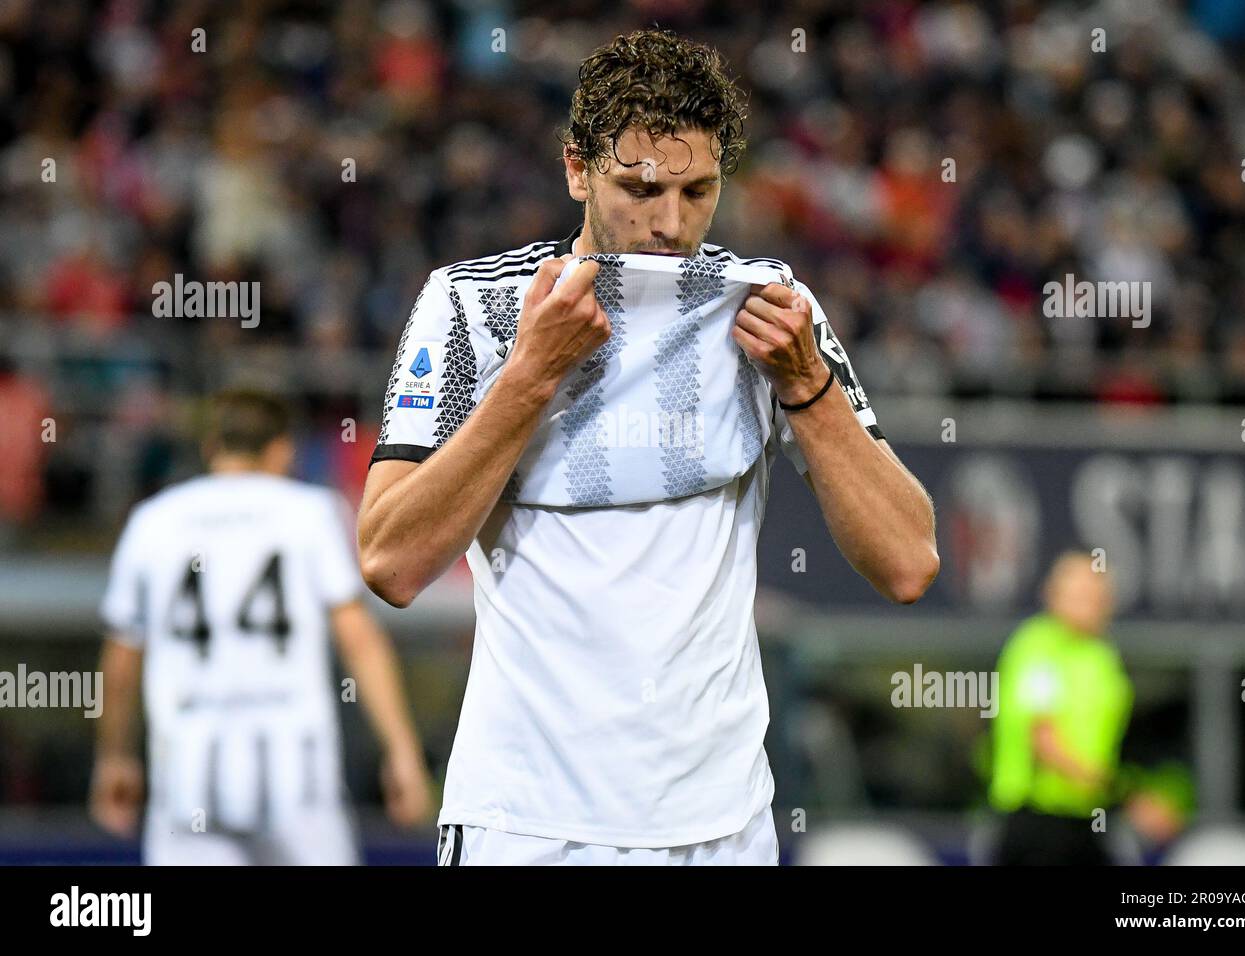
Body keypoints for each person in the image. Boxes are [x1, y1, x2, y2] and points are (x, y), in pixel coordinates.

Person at [359, 29, 939, 866]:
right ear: (576, 170)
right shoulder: (475, 308)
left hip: (722, 831)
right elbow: (390, 561)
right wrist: (529, 378)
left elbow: (909, 561)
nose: (670, 224)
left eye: (699, 191)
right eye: (639, 187)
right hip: (528, 824)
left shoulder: (771, 311)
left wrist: (806, 385)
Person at [91, 389, 434, 864]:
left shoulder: (153, 521)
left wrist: (114, 757)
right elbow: (360, 641)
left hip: (190, 767)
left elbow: (122, 657)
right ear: (282, 448)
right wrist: (401, 751)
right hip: (295, 767)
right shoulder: (311, 511)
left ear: (212, 445)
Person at [989, 551, 1134, 865]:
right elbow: (1044, 741)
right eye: (1080, 594)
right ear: (1052, 595)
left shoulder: (1102, 656)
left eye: (1098, 594)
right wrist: (1121, 791)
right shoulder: (1037, 647)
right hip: (1037, 819)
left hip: (1086, 816)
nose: (1093, 603)